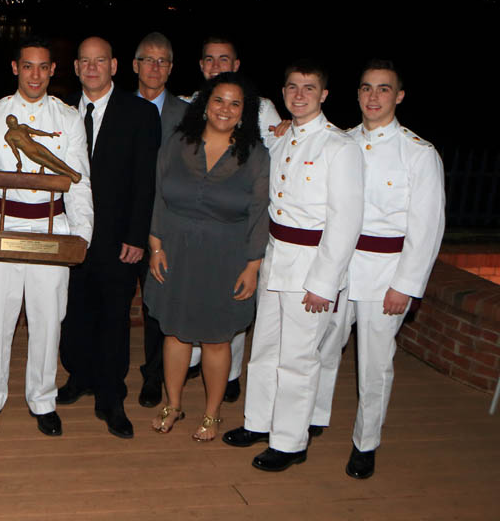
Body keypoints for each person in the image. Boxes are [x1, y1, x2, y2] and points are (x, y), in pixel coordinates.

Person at [222, 61, 364, 472]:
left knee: (299, 359)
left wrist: (325, 282)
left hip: (311, 266)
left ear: (324, 95)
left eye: (309, 88)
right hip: (275, 259)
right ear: (282, 93)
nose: (299, 94)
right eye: (292, 87)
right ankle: (259, 421)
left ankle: (290, 441)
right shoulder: (280, 139)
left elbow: (346, 222)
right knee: (263, 349)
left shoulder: (339, 147)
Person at [310, 60, 445, 478]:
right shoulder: (341, 142)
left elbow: (427, 229)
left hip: (385, 273)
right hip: (339, 266)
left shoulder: (418, 153)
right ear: (357, 94)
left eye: (383, 89)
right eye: (367, 88)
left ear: (399, 96)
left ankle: (365, 443)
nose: (373, 96)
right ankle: (313, 416)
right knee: (323, 347)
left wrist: (405, 285)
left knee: (374, 364)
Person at [0, 37, 93, 436]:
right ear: (15, 68)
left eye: (43, 67)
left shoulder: (68, 118)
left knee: (48, 319)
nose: (36, 75)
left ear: (53, 70)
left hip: (53, 226)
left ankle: (42, 398)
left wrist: (83, 233)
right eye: (28, 66)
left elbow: (80, 182)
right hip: (3, 226)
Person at [144, 72, 268, 442]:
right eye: (218, 100)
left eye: (235, 103)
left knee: (216, 339)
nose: (225, 109)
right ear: (205, 104)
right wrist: (156, 247)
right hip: (176, 251)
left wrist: (252, 266)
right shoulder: (178, 143)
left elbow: (261, 213)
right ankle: (173, 404)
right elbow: (158, 198)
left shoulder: (256, 156)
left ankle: (212, 414)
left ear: (245, 112)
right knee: (175, 333)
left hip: (225, 257)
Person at [56, 37, 160, 439]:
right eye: (85, 61)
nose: (93, 68)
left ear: (115, 65)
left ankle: (111, 396)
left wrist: (137, 235)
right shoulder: (62, 112)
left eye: (100, 61)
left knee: (114, 317)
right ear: (77, 67)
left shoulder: (141, 113)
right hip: (70, 234)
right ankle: (79, 376)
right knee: (75, 311)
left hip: (118, 236)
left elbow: (145, 181)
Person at [182, 35, 283, 403]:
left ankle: (232, 373)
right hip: (199, 217)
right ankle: (193, 358)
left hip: (240, 220)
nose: (215, 66)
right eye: (208, 59)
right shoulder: (190, 105)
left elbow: (279, 157)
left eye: (223, 59)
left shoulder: (264, 109)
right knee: (194, 291)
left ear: (237, 65)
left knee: (233, 299)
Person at [130, 32, 190, 408]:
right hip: (122, 225)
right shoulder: (117, 106)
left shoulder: (187, 116)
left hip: (167, 228)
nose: (155, 67)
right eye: (147, 60)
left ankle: (153, 376)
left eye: (162, 61)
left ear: (170, 68)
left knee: (158, 308)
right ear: (135, 65)